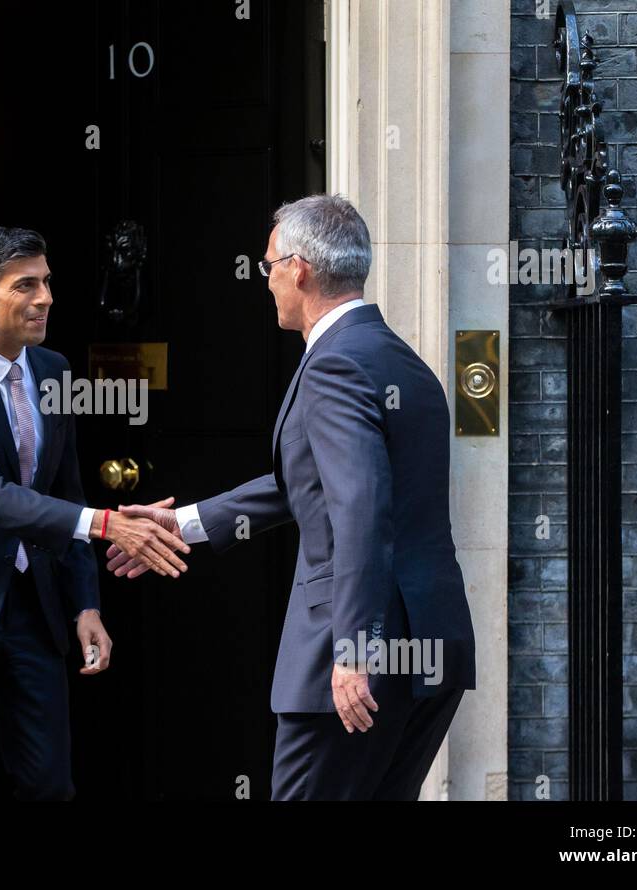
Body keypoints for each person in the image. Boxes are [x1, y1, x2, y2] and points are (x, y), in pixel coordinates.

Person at [107, 195, 476, 800]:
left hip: (358, 655)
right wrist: (186, 524)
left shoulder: (334, 365)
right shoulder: (398, 361)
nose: (268, 279)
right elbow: (314, 486)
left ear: (299, 269)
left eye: (269, 264)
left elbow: (361, 508)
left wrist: (355, 648)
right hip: (430, 642)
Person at [0, 226, 189, 800]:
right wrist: (106, 524)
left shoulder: (53, 370)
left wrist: (85, 604)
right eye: (25, 285)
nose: (45, 297)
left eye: (47, 282)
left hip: (35, 603)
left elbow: (66, 490)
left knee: (49, 780)